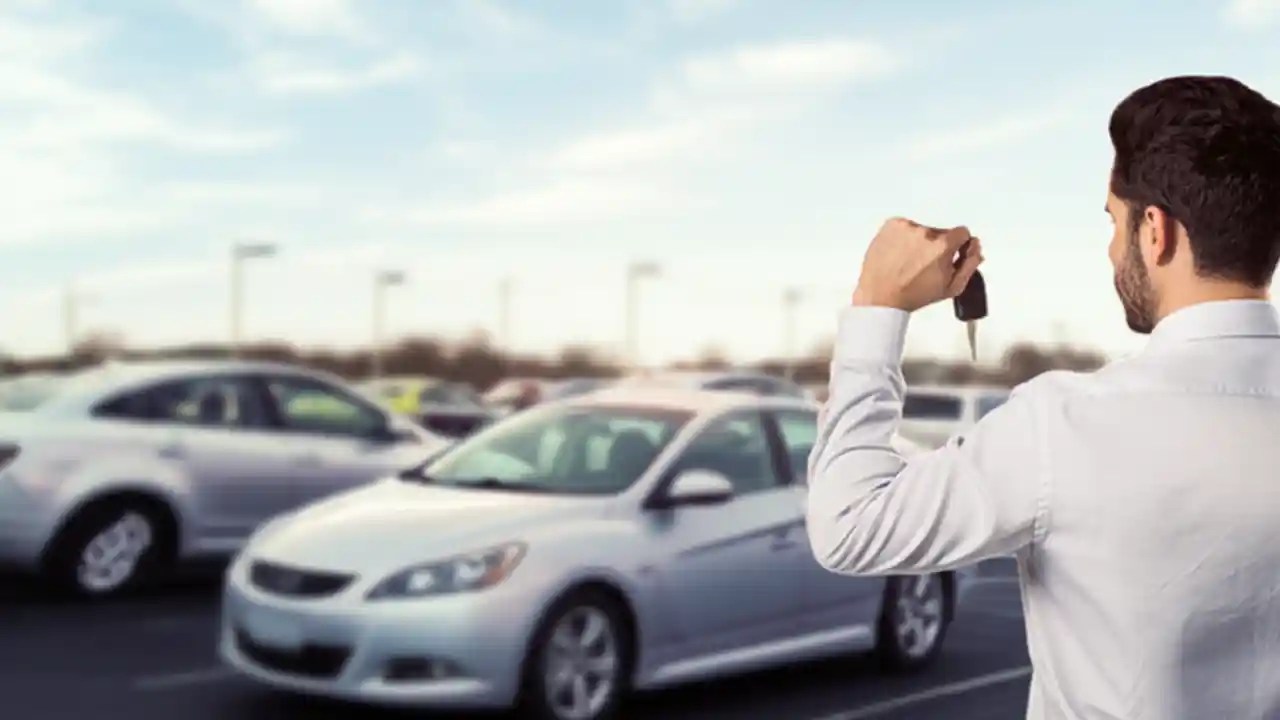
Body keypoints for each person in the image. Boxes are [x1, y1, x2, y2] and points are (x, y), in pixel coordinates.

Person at [806, 75, 1280, 720]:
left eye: (1113, 222)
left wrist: (876, 307)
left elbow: (850, 527)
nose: (1112, 247)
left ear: (1155, 231)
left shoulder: (1066, 426)